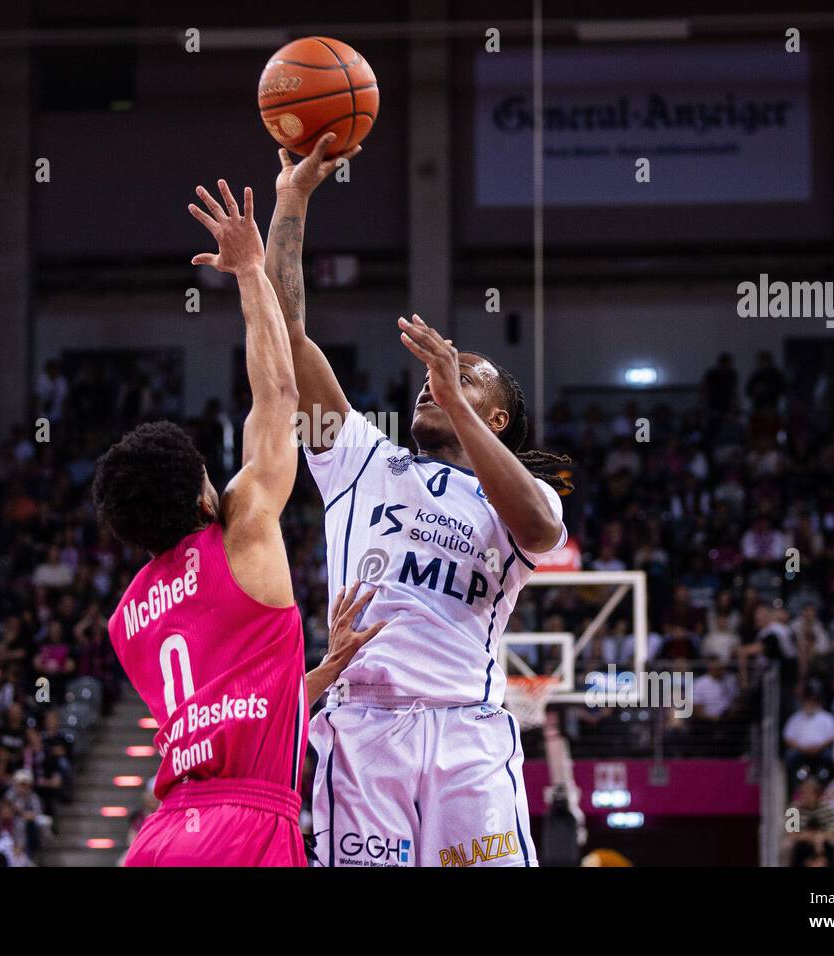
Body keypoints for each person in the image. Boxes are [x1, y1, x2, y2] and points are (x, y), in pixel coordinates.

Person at [265, 136, 571, 867]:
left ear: (495, 419)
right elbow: (287, 333)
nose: (439, 378)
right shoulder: (359, 456)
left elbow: (541, 527)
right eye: (436, 373)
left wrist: (452, 396)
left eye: (467, 377)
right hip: (364, 727)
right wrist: (293, 201)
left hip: (469, 732)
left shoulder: (520, 501)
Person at [96, 181, 382, 866]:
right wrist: (252, 272)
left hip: (162, 837)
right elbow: (280, 394)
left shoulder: (127, 621)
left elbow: (226, 712)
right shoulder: (243, 528)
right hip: (246, 828)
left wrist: (311, 677)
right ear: (202, 493)